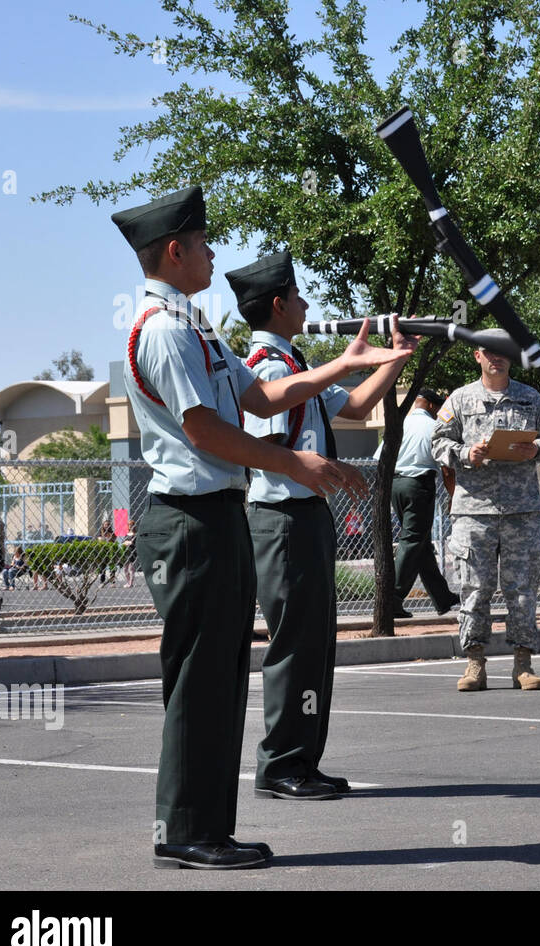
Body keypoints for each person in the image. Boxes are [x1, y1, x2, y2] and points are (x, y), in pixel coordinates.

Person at [114, 186, 406, 869]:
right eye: (204, 241)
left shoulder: (198, 326)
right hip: (187, 520)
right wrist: (292, 463)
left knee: (221, 677)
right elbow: (204, 428)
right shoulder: (161, 328)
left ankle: (206, 829)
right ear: (175, 250)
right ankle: (185, 831)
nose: (215, 251)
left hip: (216, 516)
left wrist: (347, 365)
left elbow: (261, 396)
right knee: (201, 679)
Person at [230, 250, 416, 801]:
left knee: (314, 643)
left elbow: (355, 407)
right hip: (282, 519)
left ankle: (301, 761)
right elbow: (262, 439)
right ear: (280, 304)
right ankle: (282, 764)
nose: (309, 304)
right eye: (300, 295)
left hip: (303, 517)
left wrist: (395, 360)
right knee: (295, 643)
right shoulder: (267, 367)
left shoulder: (294, 366)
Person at [431, 330, 540, 692]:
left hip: (522, 511)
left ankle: (523, 665)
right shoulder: (459, 398)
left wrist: (535, 451)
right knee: (474, 588)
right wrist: (464, 454)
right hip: (473, 510)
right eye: (490, 352)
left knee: (522, 589)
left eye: (504, 352)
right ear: (478, 356)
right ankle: (474, 664)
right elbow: (438, 442)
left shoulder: (530, 398)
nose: (497, 358)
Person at [380, 388, 459, 618]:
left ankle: (442, 596)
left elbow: (382, 457)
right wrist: (453, 496)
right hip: (418, 486)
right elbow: (446, 468)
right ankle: (392, 598)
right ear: (433, 407)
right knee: (412, 540)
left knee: (421, 544)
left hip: (395, 484)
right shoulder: (434, 427)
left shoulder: (399, 424)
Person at [121, 519, 138, 589]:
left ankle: (131, 583)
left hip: (132, 552)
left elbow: (132, 543)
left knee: (131, 568)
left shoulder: (135, 534)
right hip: (126, 552)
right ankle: (128, 582)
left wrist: (127, 542)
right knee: (125, 569)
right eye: (129, 525)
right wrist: (127, 542)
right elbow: (123, 543)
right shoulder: (126, 534)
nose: (130, 526)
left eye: (131, 525)